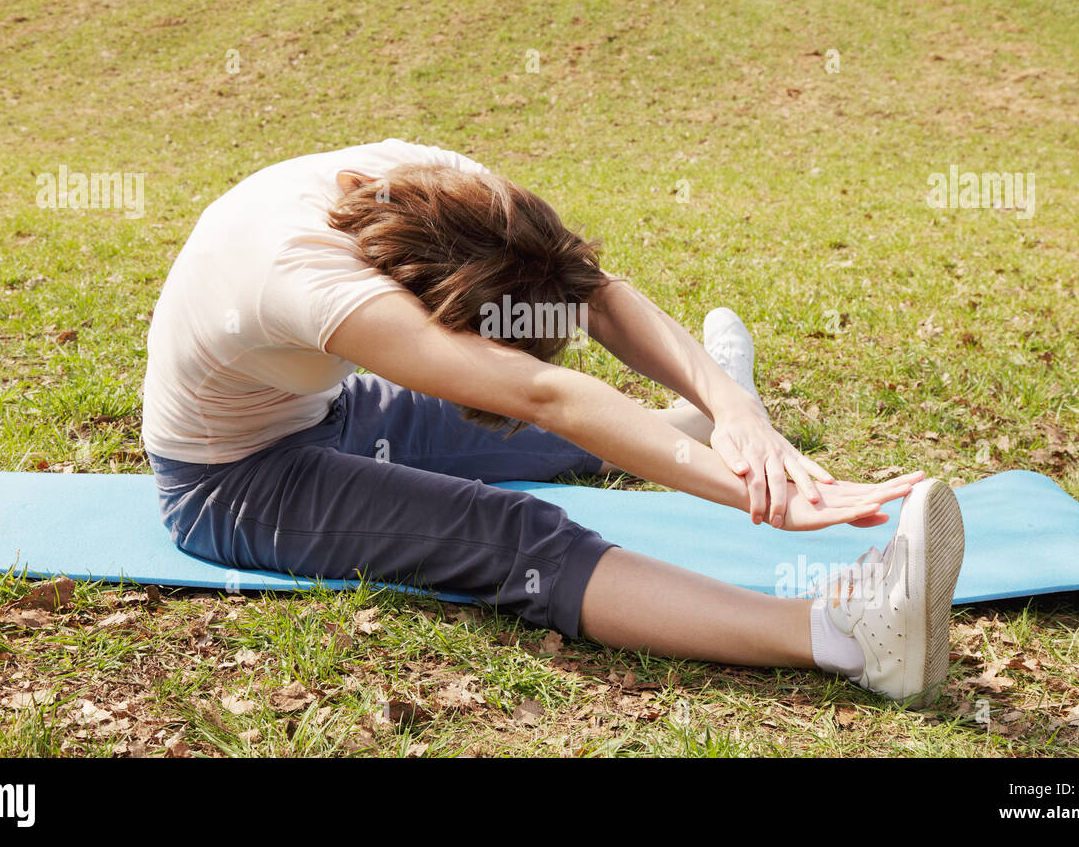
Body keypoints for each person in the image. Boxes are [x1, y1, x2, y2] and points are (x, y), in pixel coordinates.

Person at [141, 138, 965, 704]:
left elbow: (592, 290)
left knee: (559, 431)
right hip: (237, 479)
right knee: (508, 531)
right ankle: (847, 638)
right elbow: (545, 393)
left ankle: (689, 418)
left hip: (330, 407)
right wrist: (759, 497)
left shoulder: (434, 183)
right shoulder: (311, 283)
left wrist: (732, 405)